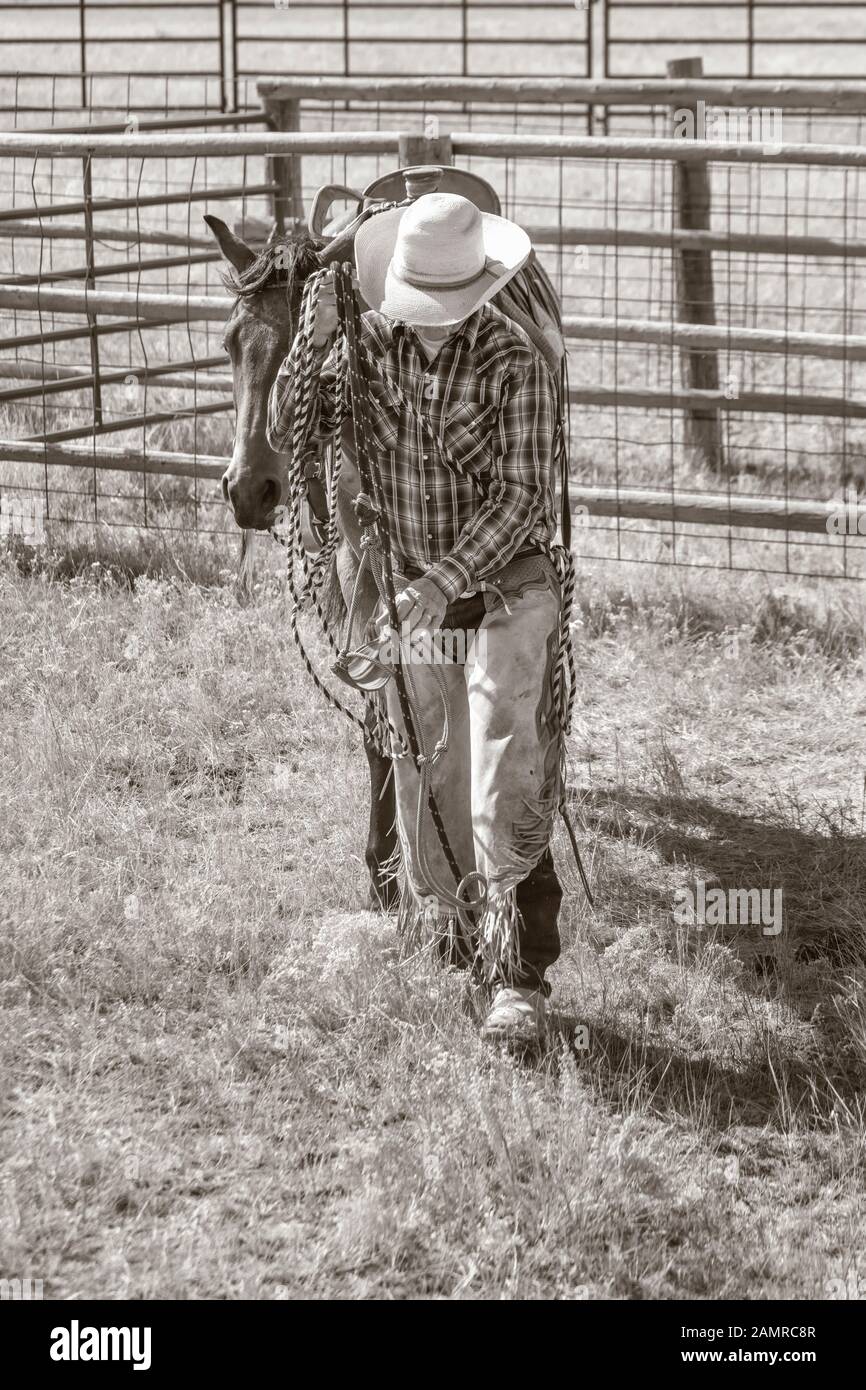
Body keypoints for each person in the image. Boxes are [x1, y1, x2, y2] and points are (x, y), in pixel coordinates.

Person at [268, 192, 566, 1047]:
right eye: (418, 307)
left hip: (504, 587)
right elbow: (299, 416)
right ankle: (461, 935)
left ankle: (519, 976)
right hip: (414, 590)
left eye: (446, 310)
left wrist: (437, 582)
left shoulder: (516, 362)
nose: (429, 325)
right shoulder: (362, 348)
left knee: (502, 750)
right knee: (430, 757)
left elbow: (519, 500)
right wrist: (312, 334)